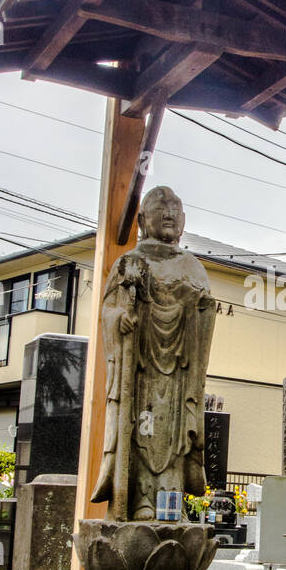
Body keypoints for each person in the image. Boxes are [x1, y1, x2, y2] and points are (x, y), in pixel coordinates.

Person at [91, 186, 216, 521]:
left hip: (178, 371)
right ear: (142, 218)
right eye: (160, 207)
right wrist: (123, 320)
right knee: (141, 433)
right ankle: (140, 501)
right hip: (142, 370)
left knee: (175, 438)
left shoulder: (192, 267)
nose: (169, 214)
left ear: (184, 221)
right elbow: (109, 312)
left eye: (175, 207)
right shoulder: (130, 263)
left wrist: (195, 306)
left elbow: (207, 311)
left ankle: (170, 503)